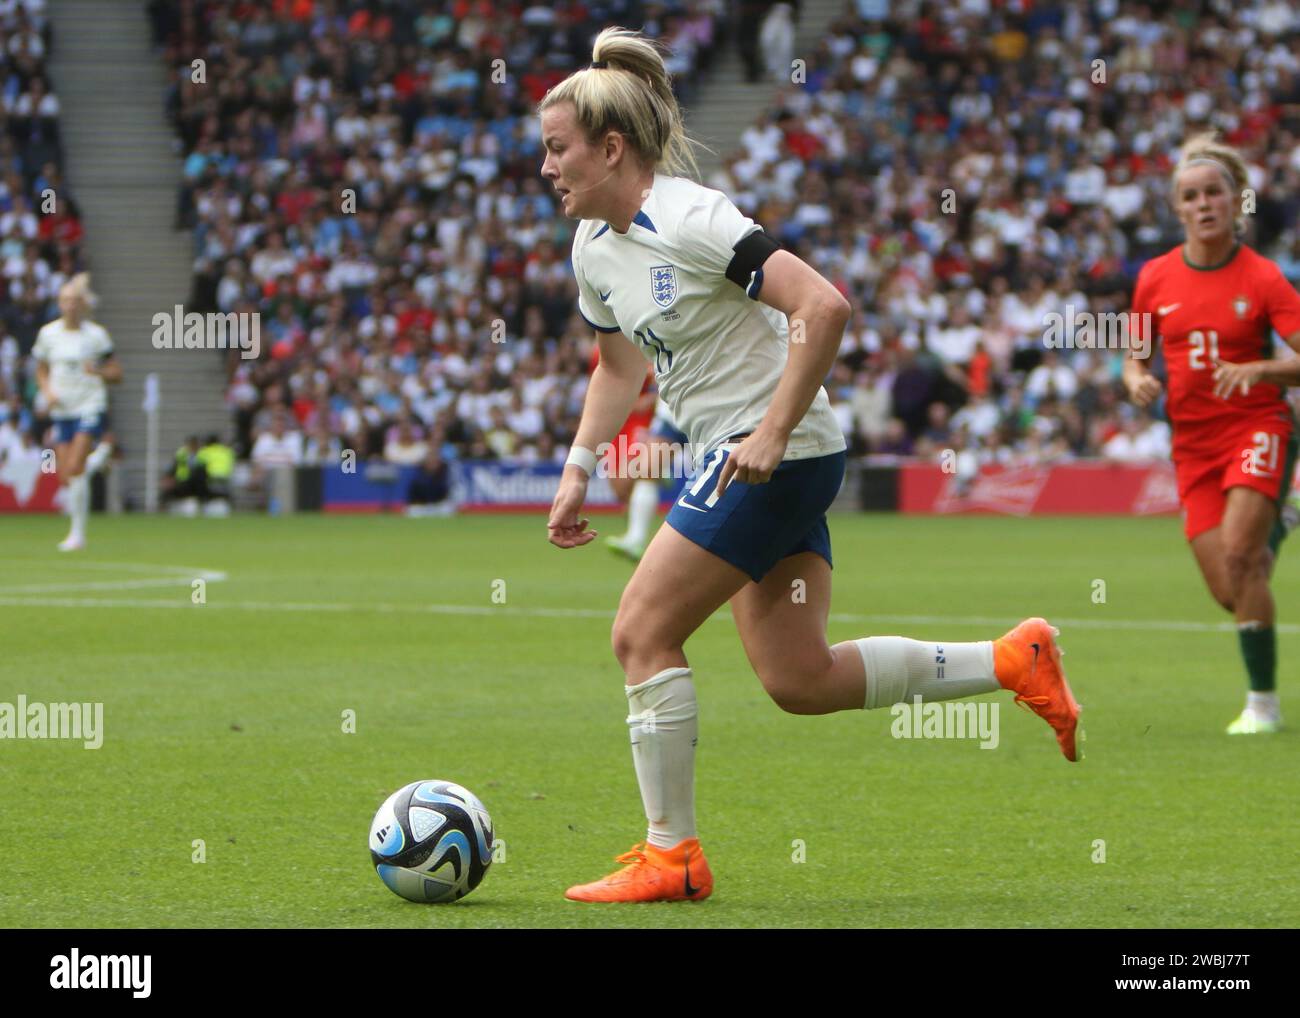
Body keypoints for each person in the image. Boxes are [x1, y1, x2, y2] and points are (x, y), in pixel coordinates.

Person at [541, 28, 1081, 905]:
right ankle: (1016, 661)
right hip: (761, 458)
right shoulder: (594, 249)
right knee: (800, 680)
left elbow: (822, 305)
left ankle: (671, 854)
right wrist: (576, 467)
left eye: (557, 149)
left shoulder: (691, 217)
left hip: (771, 454)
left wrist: (771, 428)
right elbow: (618, 367)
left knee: (640, 632)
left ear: (610, 148)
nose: (547, 168)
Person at [1123, 132, 1300, 735]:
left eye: (1214, 194)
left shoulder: (1265, 278)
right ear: (1178, 209)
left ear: (1236, 202)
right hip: (1192, 446)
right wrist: (1135, 377)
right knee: (1231, 587)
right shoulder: (1154, 278)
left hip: (1258, 425)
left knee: (1241, 557)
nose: (1203, 205)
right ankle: (1286, 514)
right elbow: (1135, 353)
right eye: (1191, 196)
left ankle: (1263, 705)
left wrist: (1262, 369)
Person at [33, 273, 119, 550]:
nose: (70, 306)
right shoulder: (48, 334)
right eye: (65, 301)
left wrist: (100, 371)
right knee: (66, 476)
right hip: (62, 409)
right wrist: (46, 391)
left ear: (82, 304)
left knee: (74, 467)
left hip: (89, 405)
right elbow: (41, 370)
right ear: (60, 304)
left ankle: (77, 534)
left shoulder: (96, 336)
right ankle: (100, 458)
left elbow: (117, 373)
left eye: (75, 301)